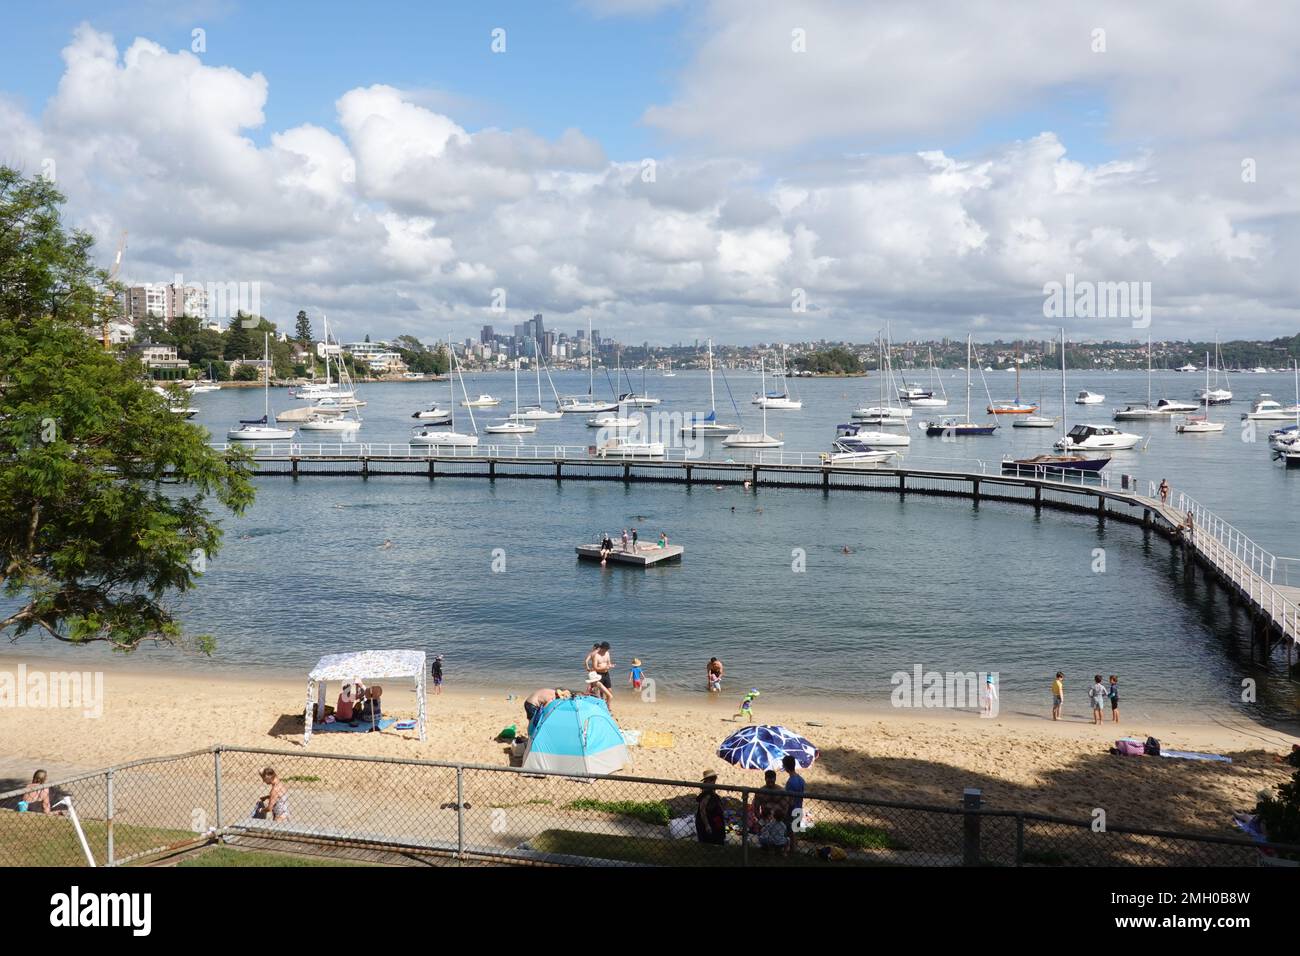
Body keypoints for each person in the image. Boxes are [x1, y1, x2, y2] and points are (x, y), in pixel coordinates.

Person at [695, 770, 726, 845]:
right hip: (709, 822)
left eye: (714, 778)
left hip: (714, 820)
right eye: (711, 779)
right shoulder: (707, 794)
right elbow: (702, 810)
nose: (714, 781)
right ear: (707, 781)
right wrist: (707, 825)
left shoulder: (711, 790)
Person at [783, 754, 806, 850]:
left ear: (786, 767)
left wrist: (785, 811)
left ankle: (792, 850)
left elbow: (790, 800)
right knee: (795, 832)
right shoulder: (801, 779)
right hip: (799, 808)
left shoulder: (790, 782)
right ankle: (795, 849)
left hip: (792, 810)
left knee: (791, 833)